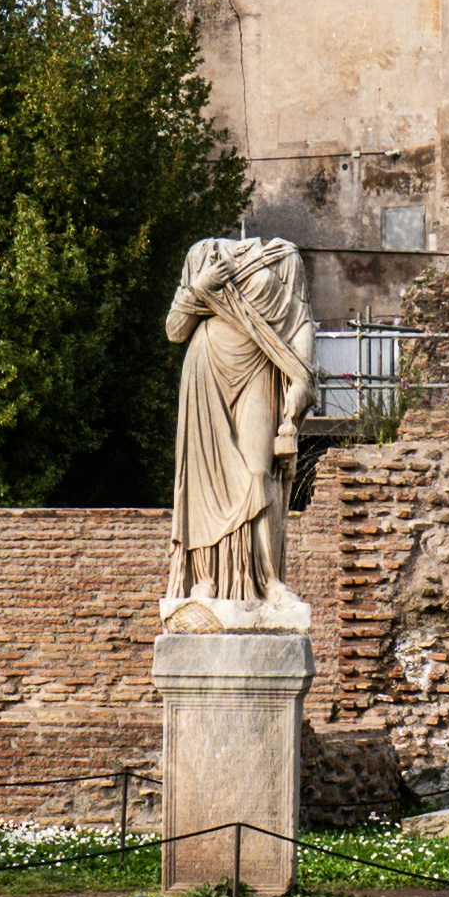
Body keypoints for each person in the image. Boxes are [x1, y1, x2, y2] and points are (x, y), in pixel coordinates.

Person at [161, 235, 311, 626]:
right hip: (206, 368)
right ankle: (206, 580)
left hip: (259, 366)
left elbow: (300, 324)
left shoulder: (285, 257)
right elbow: (175, 330)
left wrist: (302, 381)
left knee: (259, 471)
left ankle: (268, 581)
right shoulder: (201, 254)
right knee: (205, 482)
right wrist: (200, 288)